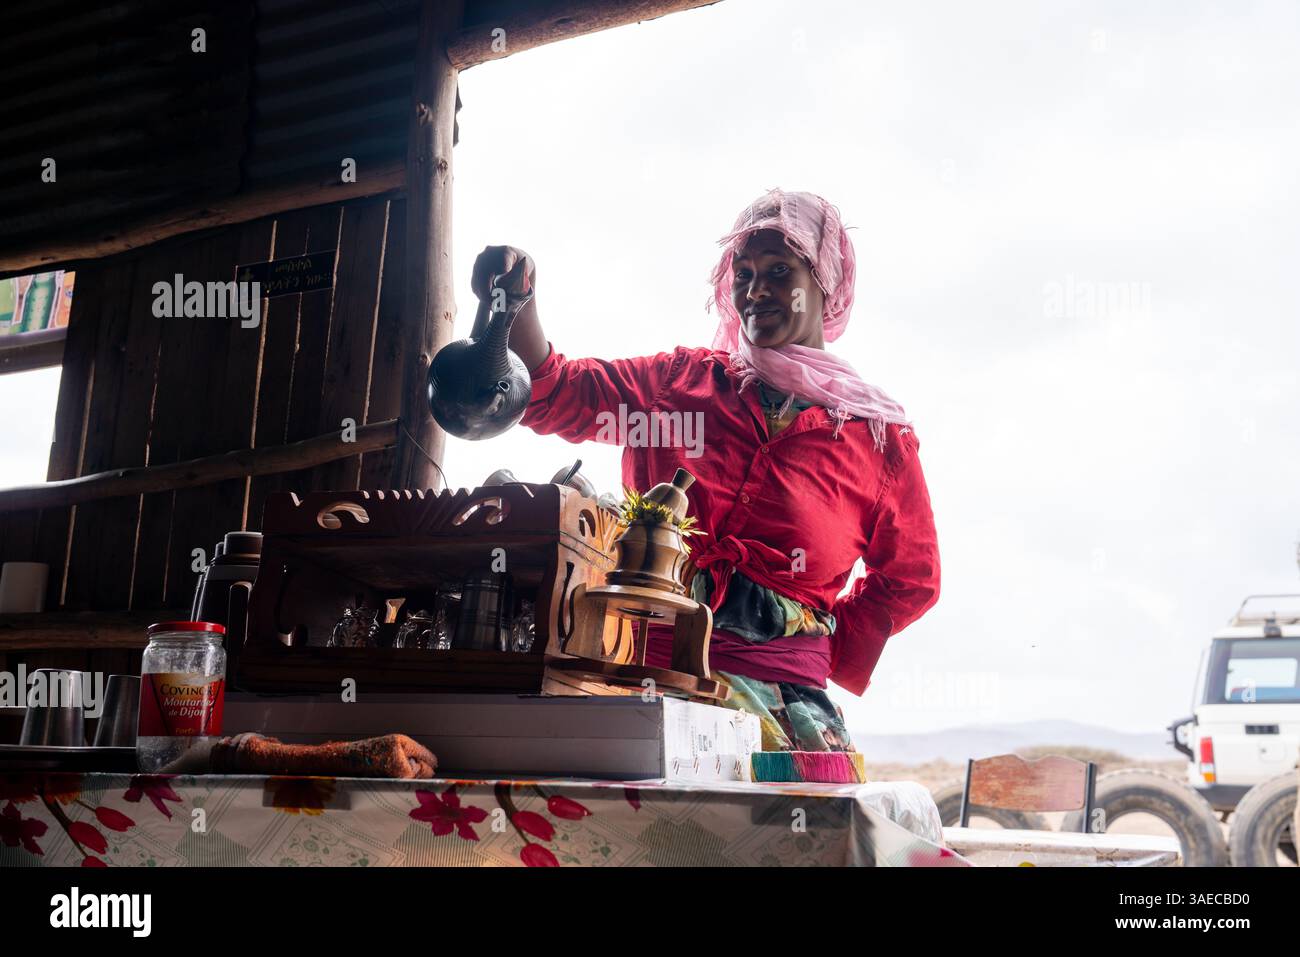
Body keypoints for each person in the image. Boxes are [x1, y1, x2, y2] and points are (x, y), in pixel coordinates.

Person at [472, 189, 940, 752]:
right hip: (637, 695)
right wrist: (517, 299)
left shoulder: (879, 441)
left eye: (778, 271)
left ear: (827, 284)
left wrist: (813, 643)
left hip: (787, 719)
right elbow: (553, 390)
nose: (755, 291)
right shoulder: (679, 385)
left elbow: (913, 579)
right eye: (742, 274)